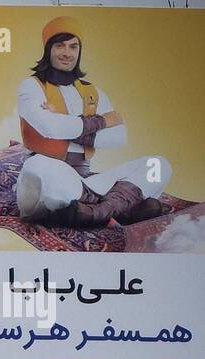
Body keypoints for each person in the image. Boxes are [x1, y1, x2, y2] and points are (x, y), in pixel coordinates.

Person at [15, 16, 171, 229]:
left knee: (158, 165)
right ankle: (121, 208)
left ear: (79, 51)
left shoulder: (93, 92)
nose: (67, 53)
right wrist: (102, 121)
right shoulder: (31, 87)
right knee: (38, 165)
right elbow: (49, 127)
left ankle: (96, 212)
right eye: (59, 45)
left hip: (88, 181)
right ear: (48, 49)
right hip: (52, 177)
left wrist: (63, 124)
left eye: (73, 46)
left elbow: (118, 137)